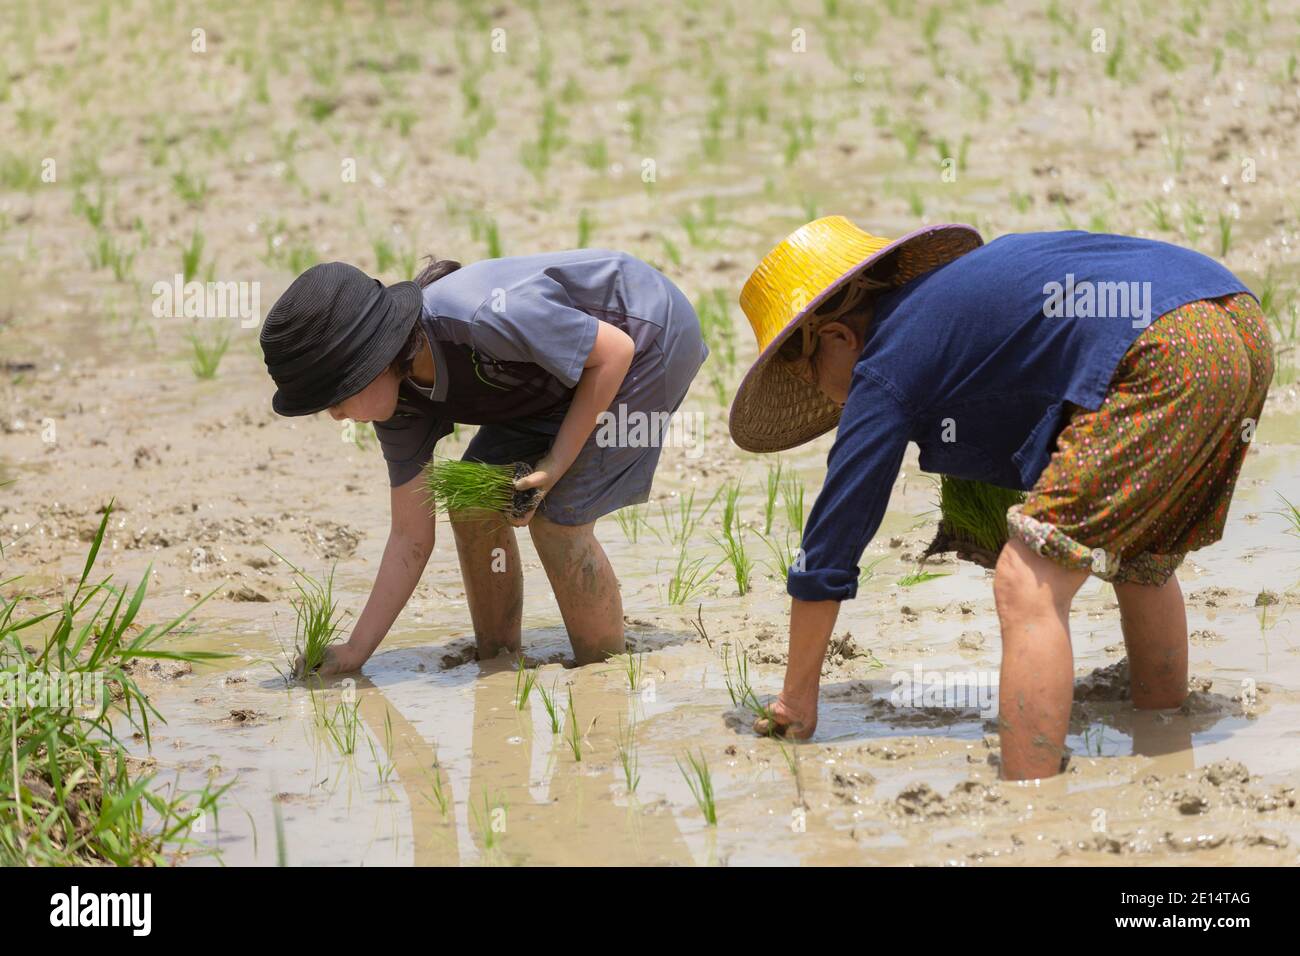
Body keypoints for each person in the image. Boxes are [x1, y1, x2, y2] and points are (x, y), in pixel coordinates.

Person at [729, 216, 1271, 779]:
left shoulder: (886, 358)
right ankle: (1163, 727)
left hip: (1166, 349)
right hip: (1236, 320)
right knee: (1139, 555)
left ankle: (1030, 798)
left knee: (1025, 577)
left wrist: (795, 699)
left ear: (838, 338)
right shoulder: (953, 303)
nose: (828, 399)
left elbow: (835, 534)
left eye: (812, 379)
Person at [259, 250, 708, 672]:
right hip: (553, 381)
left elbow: (614, 352)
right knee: (470, 504)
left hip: (647, 338)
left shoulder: (477, 317)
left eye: (335, 397)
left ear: (374, 361)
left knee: (558, 521)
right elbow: (408, 537)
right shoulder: (400, 408)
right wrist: (356, 650)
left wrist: (555, 463)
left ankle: (604, 674)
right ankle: (498, 660)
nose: (335, 415)